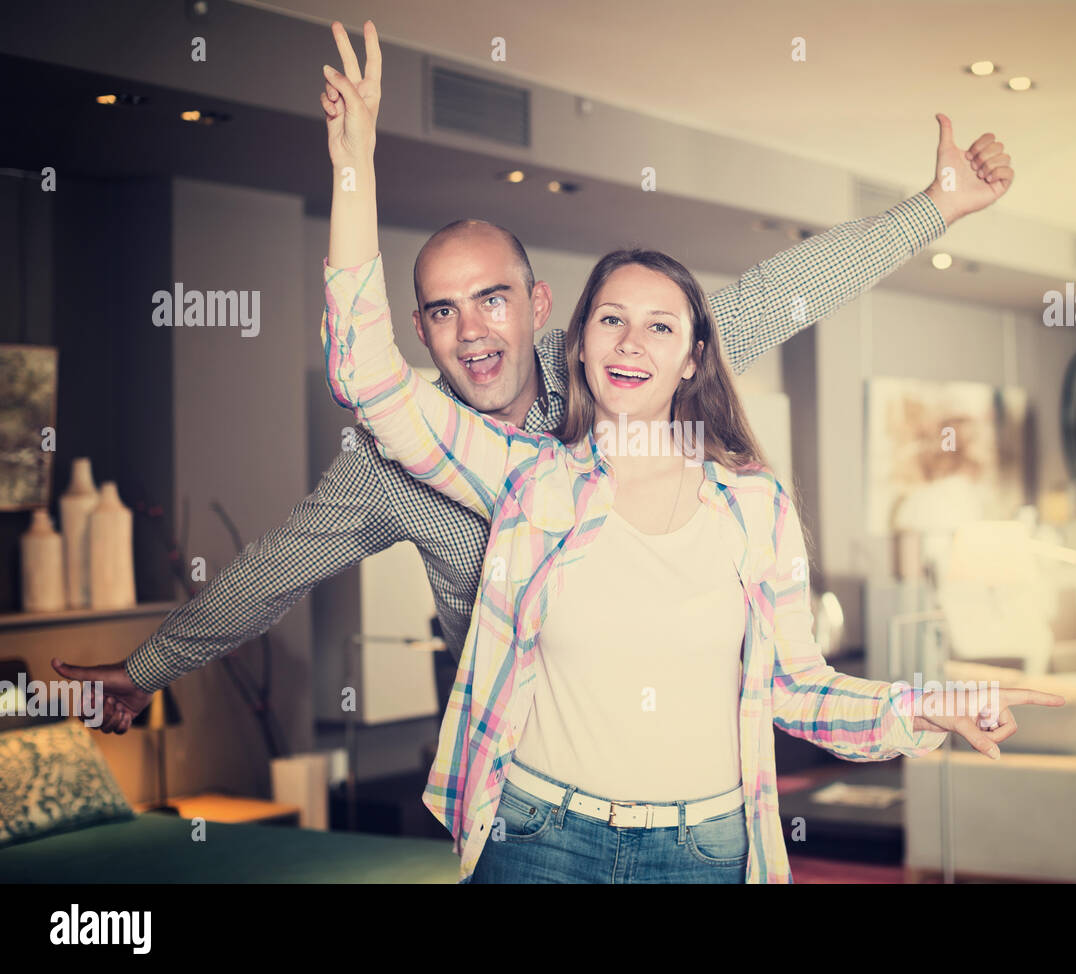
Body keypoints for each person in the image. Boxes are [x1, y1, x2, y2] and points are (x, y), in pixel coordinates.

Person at [53, 20, 1018, 737]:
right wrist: (145, 671)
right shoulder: (402, 459)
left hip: (668, 737)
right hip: (519, 759)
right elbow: (272, 571)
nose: (471, 331)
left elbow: (777, 294)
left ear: (540, 303)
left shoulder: (610, 380)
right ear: (423, 330)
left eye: (491, 300)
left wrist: (935, 207)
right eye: (440, 310)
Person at [316, 26, 1064, 883]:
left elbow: (800, 690)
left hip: (707, 850)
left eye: (659, 325)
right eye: (610, 320)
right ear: (582, 348)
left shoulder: (755, 508)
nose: (631, 340)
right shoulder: (528, 481)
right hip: (538, 841)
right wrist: (354, 163)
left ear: (694, 356)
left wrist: (935, 705)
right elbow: (365, 374)